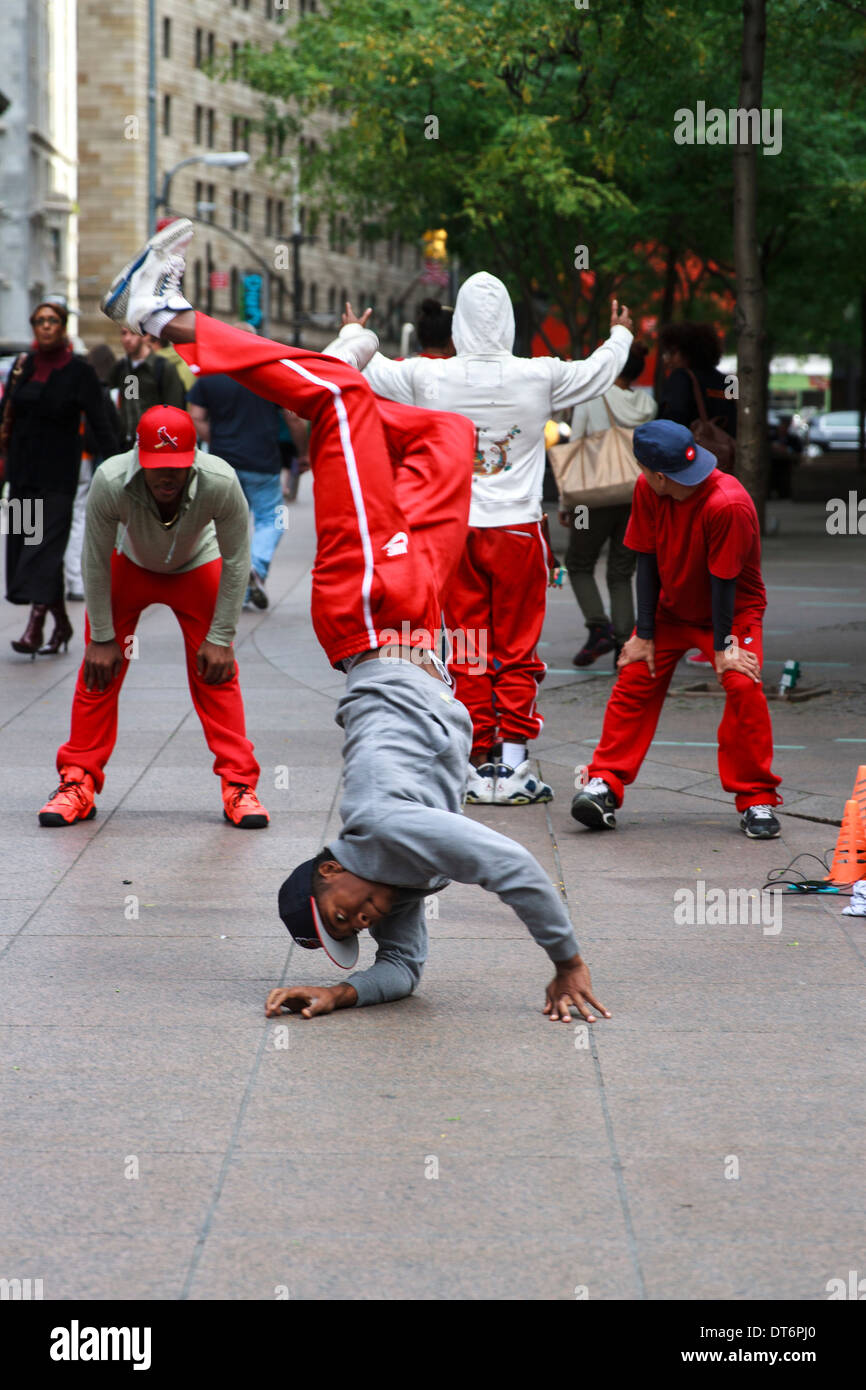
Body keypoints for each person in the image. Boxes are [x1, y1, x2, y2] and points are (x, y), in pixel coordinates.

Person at [97, 217, 611, 1025]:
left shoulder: (379, 824)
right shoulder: (401, 882)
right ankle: (339, 377)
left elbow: (513, 865)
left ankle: (167, 320)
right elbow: (404, 971)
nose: (365, 921)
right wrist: (342, 987)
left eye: (344, 915)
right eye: (354, 932)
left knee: (337, 403)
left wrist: (566, 960)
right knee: (446, 436)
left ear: (329, 870)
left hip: (371, 613)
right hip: (422, 617)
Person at [331, 273, 634, 807]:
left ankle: (475, 762)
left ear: (459, 322)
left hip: (454, 531)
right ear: (512, 320)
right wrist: (620, 334)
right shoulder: (540, 374)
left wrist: (356, 331)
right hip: (517, 529)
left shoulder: (429, 375)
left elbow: (360, 368)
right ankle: (513, 763)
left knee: (467, 644)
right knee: (516, 646)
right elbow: (599, 371)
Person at [37, 403, 270, 831]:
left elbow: (238, 560)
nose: (167, 476)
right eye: (157, 466)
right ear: (139, 457)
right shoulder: (110, 479)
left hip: (197, 567)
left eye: (177, 467)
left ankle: (239, 786)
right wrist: (102, 637)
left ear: (194, 459)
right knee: (97, 671)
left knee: (217, 671)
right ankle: (77, 781)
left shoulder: (220, 480)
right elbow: (94, 558)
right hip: (130, 565)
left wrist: (221, 636)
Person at [570, 419, 782, 841]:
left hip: (732, 612)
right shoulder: (647, 490)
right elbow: (645, 560)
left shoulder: (727, 504)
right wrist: (643, 633)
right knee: (634, 672)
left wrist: (725, 649)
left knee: (742, 682)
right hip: (672, 611)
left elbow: (724, 582)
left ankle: (755, 798)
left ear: (659, 473)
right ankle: (604, 785)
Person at [2, 297, 118, 658]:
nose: (46, 326)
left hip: (58, 479)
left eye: (53, 320)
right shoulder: (23, 365)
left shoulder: (79, 371)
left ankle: (35, 627)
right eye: (40, 321)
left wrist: (117, 465)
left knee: (44, 550)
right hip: (23, 480)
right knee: (26, 551)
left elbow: (100, 421)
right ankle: (63, 624)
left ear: (63, 325)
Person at [560, 342, 657, 668]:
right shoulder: (647, 403)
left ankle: (598, 626)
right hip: (635, 498)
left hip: (591, 500)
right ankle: (624, 644)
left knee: (578, 562)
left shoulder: (593, 397)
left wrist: (567, 502)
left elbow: (575, 447)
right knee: (621, 571)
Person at [188, 332, 291, 610]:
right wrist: (303, 452)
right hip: (264, 463)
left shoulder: (210, 376)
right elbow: (293, 414)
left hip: (224, 464)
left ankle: (241, 587)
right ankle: (256, 567)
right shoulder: (268, 375)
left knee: (230, 524)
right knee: (275, 519)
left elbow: (195, 416)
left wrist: (216, 439)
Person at [64, 344, 121, 602]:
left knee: (43, 520)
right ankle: (74, 580)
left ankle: (44, 579)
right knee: (77, 516)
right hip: (81, 460)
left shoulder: (41, 378)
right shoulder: (96, 388)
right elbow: (109, 428)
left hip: (48, 465)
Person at [111, 325, 187, 451]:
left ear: (145, 336)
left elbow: (175, 409)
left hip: (155, 445)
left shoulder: (162, 367)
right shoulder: (121, 368)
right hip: (127, 444)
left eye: (133, 333)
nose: (127, 339)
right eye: (124, 334)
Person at [658, 322, 736, 440]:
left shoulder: (681, 377)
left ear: (689, 352)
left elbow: (672, 422)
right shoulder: (729, 382)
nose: (668, 360)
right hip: (727, 453)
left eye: (672, 353)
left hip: (695, 453)